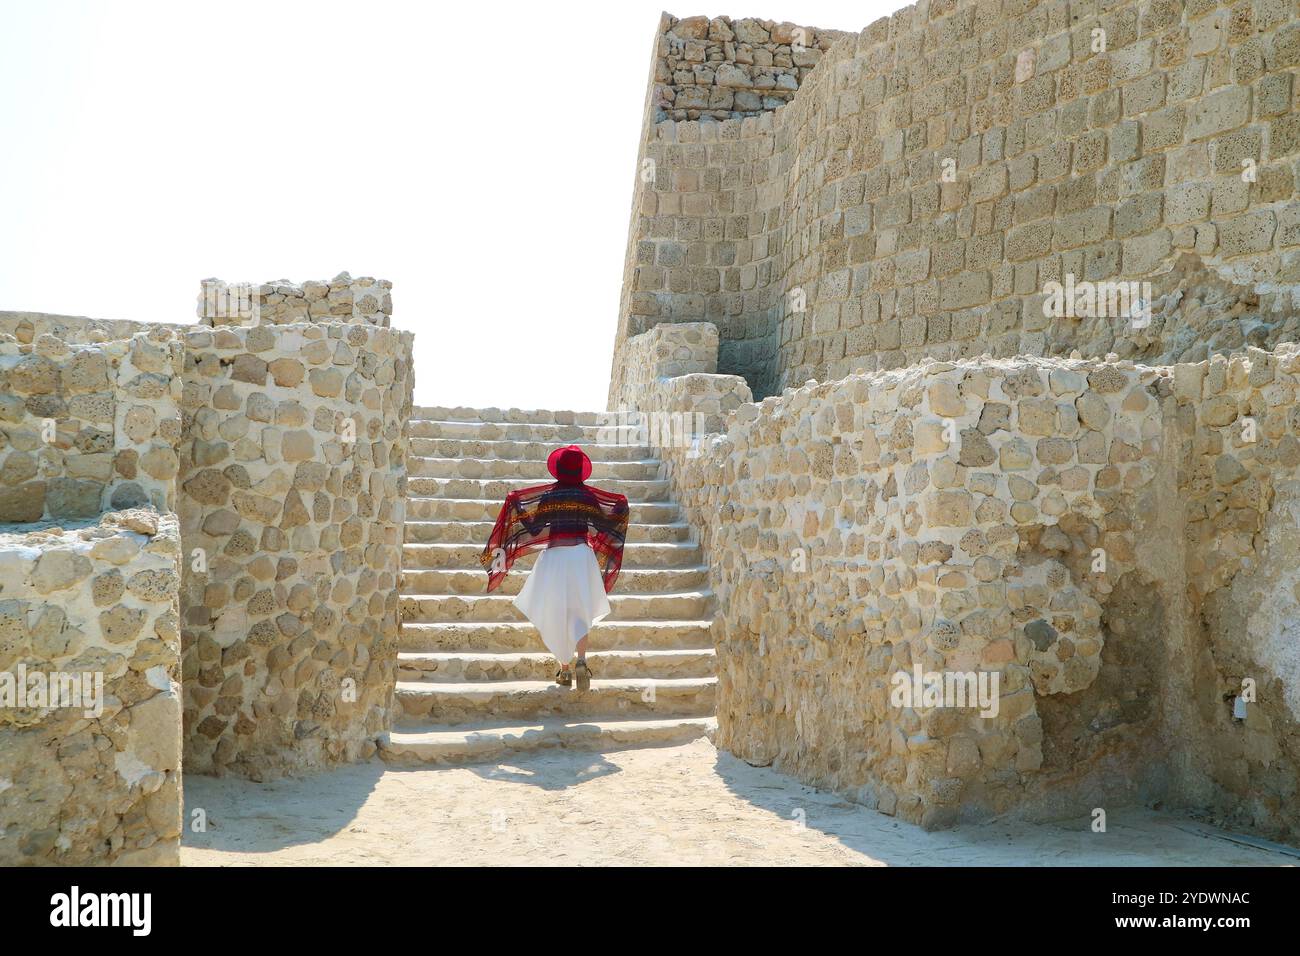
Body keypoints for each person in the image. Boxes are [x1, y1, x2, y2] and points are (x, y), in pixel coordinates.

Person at [480, 445, 629, 691]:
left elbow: (534, 529)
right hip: (582, 556)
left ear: (558, 469)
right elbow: (604, 526)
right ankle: (581, 661)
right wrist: (618, 509)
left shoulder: (550, 496)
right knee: (580, 612)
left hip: (556, 558)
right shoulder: (587, 497)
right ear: (580, 470)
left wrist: (518, 507)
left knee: (556, 612)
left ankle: (565, 669)